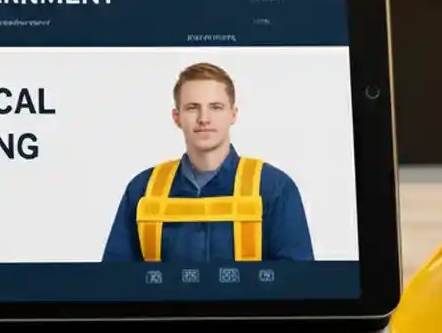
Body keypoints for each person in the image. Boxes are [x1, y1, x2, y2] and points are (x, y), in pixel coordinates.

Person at [102, 62, 314, 263]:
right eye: (193, 107)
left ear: (233, 114)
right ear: (176, 117)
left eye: (216, 107)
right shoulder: (142, 190)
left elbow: (297, 281)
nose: (204, 118)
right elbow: (116, 283)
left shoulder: (273, 188)